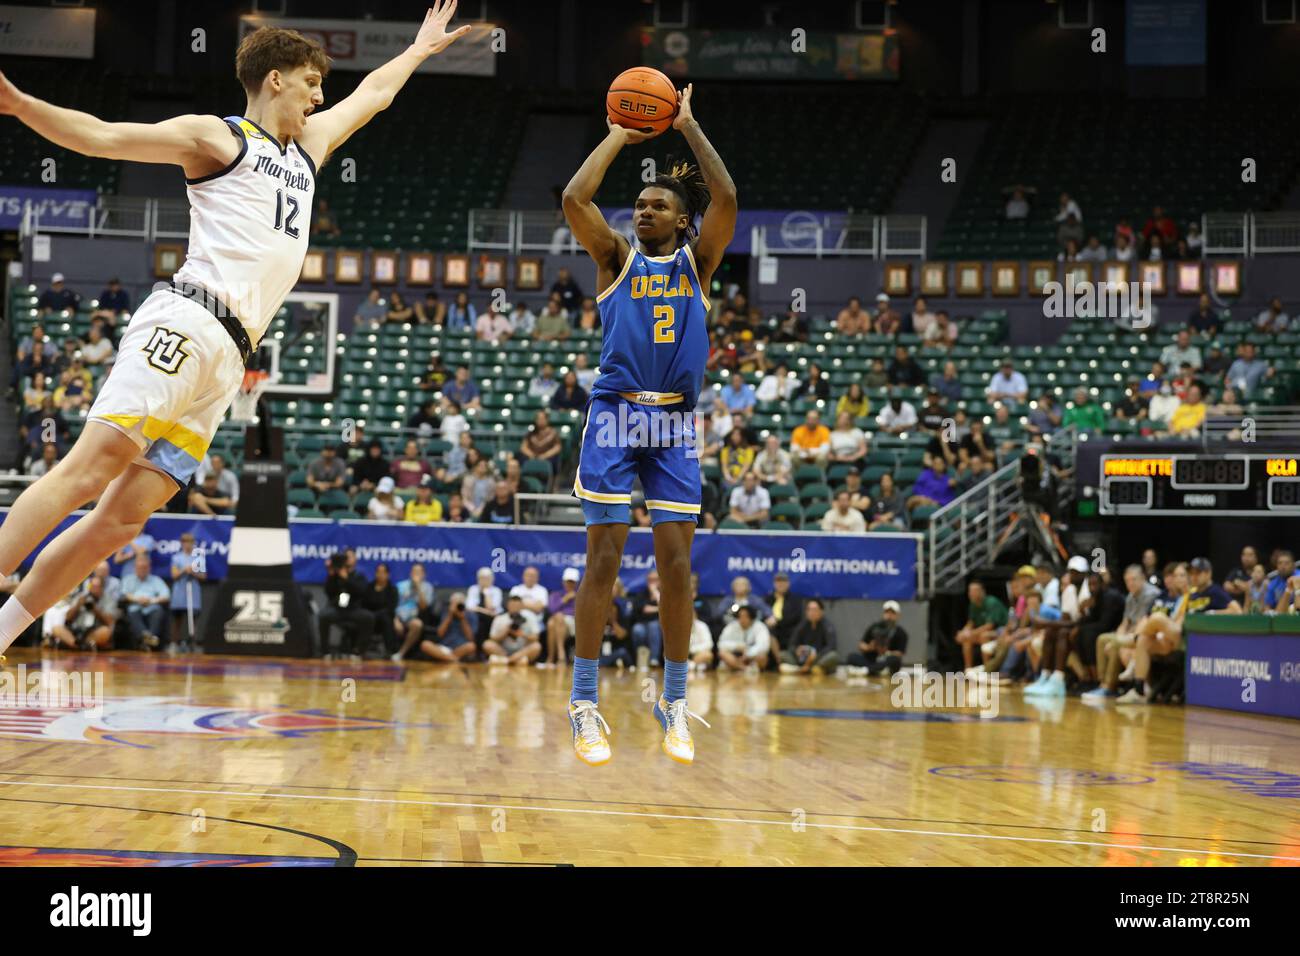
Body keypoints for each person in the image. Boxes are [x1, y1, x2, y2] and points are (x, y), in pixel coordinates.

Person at [0, 8, 476, 662]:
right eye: (311, 83)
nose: (320, 97)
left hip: (229, 361)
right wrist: (18, 104)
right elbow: (103, 137)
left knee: (122, 519)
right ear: (275, 79)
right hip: (187, 322)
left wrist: (419, 50)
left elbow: (375, 94)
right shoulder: (218, 138)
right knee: (89, 470)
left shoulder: (309, 147)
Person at [561, 84, 735, 765]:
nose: (644, 210)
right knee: (604, 559)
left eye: (659, 205)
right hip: (615, 413)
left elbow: (727, 198)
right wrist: (617, 134)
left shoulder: (699, 263)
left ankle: (675, 700)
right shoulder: (614, 258)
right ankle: (584, 702)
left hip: (675, 424)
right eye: (639, 203)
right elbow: (575, 199)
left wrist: (687, 126)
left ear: (683, 221)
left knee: (677, 566)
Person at [318, 552, 375, 662]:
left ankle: (358, 651)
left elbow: (361, 591)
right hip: (337, 609)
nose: (347, 559)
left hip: (353, 609)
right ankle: (325, 651)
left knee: (369, 617)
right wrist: (331, 575)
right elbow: (328, 592)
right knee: (323, 616)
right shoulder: (335, 575)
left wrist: (346, 578)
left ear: (355, 560)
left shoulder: (359, 575)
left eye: (350, 557)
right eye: (346, 557)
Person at [954, 580, 1008, 671]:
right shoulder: (973, 605)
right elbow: (971, 623)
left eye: (974, 591)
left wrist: (971, 633)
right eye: (970, 591)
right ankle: (968, 669)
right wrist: (964, 632)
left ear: (982, 591)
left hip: (1001, 632)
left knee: (984, 636)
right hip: (983, 633)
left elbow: (990, 626)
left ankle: (987, 669)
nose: (971, 593)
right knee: (967, 639)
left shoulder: (991, 602)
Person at [120, 552, 169, 650]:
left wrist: (151, 600)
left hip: (152, 606)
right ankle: (148, 638)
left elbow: (166, 596)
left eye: (145, 567)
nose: (142, 570)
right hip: (135, 606)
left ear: (149, 568)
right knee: (132, 613)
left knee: (158, 613)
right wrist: (137, 599)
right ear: (135, 567)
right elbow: (123, 594)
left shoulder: (156, 580)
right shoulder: (128, 579)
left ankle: (146, 639)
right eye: (140, 567)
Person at [846, 600, 908, 675]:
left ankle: (868, 670)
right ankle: (877, 670)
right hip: (871, 659)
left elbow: (900, 653)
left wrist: (886, 652)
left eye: (892, 613)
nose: (889, 615)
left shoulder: (901, 633)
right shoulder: (874, 627)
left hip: (886, 660)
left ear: (898, 615)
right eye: (887, 612)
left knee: (895, 660)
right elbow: (861, 645)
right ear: (883, 613)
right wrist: (869, 647)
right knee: (851, 657)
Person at [780, 599, 839, 675]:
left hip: (818, 658)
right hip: (802, 659)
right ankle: (805, 669)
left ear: (821, 611)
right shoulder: (802, 626)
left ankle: (809, 669)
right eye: (809, 610)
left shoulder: (827, 626)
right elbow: (792, 644)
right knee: (782, 654)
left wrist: (816, 655)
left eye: (814, 610)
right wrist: (797, 650)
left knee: (833, 656)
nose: (812, 612)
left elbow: (831, 646)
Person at [484, 593, 543, 665]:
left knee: (537, 646)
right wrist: (505, 632)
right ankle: (517, 661)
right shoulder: (500, 618)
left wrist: (523, 634)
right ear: (508, 605)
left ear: (522, 606)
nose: (515, 608)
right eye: (512, 605)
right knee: (487, 644)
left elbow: (536, 638)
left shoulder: (530, 617)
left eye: (517, 606)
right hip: (503, 650)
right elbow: (492, 638)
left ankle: (506, 661)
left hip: (522, 650)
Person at [421, 592, 479, 663]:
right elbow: (440, 634)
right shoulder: (446, 613)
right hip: (444, 647)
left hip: (461, 648)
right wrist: (450, 615)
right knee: (425, 644)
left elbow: (470, 638)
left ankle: (445, 658)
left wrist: (462, 619)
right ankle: (453, 659)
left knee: (471, 646)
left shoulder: (471, 615)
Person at [715, 604, 772, 672]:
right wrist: (737, 646)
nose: (742, 619)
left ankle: (741, 668)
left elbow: (764, 646)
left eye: (745, 616)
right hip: (735, 656)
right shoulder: (731, 626)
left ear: (751, 617)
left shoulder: (760, 627)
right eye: (740, 616)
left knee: (762, 656)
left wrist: (748, 654)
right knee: (722, 653)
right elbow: (721, 644)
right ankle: (743, 668)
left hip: (752, 656)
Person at [544, 567, 581, 667]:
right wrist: (564, 599)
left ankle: (552, 657)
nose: (570, 584)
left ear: (577, 583)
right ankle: (560, 656)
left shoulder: (581, 595)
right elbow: (551, 610)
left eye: (572, 582)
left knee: (553, 622)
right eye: (568, 581)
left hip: (575, 623)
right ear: (563, 582)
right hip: (559, 622)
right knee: (552, 622)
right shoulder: (556, 594)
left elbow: (582, 613)